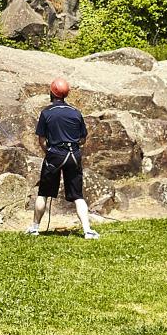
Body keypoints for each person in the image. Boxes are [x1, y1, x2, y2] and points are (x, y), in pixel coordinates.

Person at [31, 77, 99, 238]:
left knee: (43, 193)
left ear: (51, 93)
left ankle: (34, 228)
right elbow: (83, 139)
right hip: (74, 155)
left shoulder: (46, 113)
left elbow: (42, 140)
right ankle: (87, 230)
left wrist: (49, 152)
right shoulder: (76, 113)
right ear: (65, 95)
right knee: (78, 195)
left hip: (54, 154)